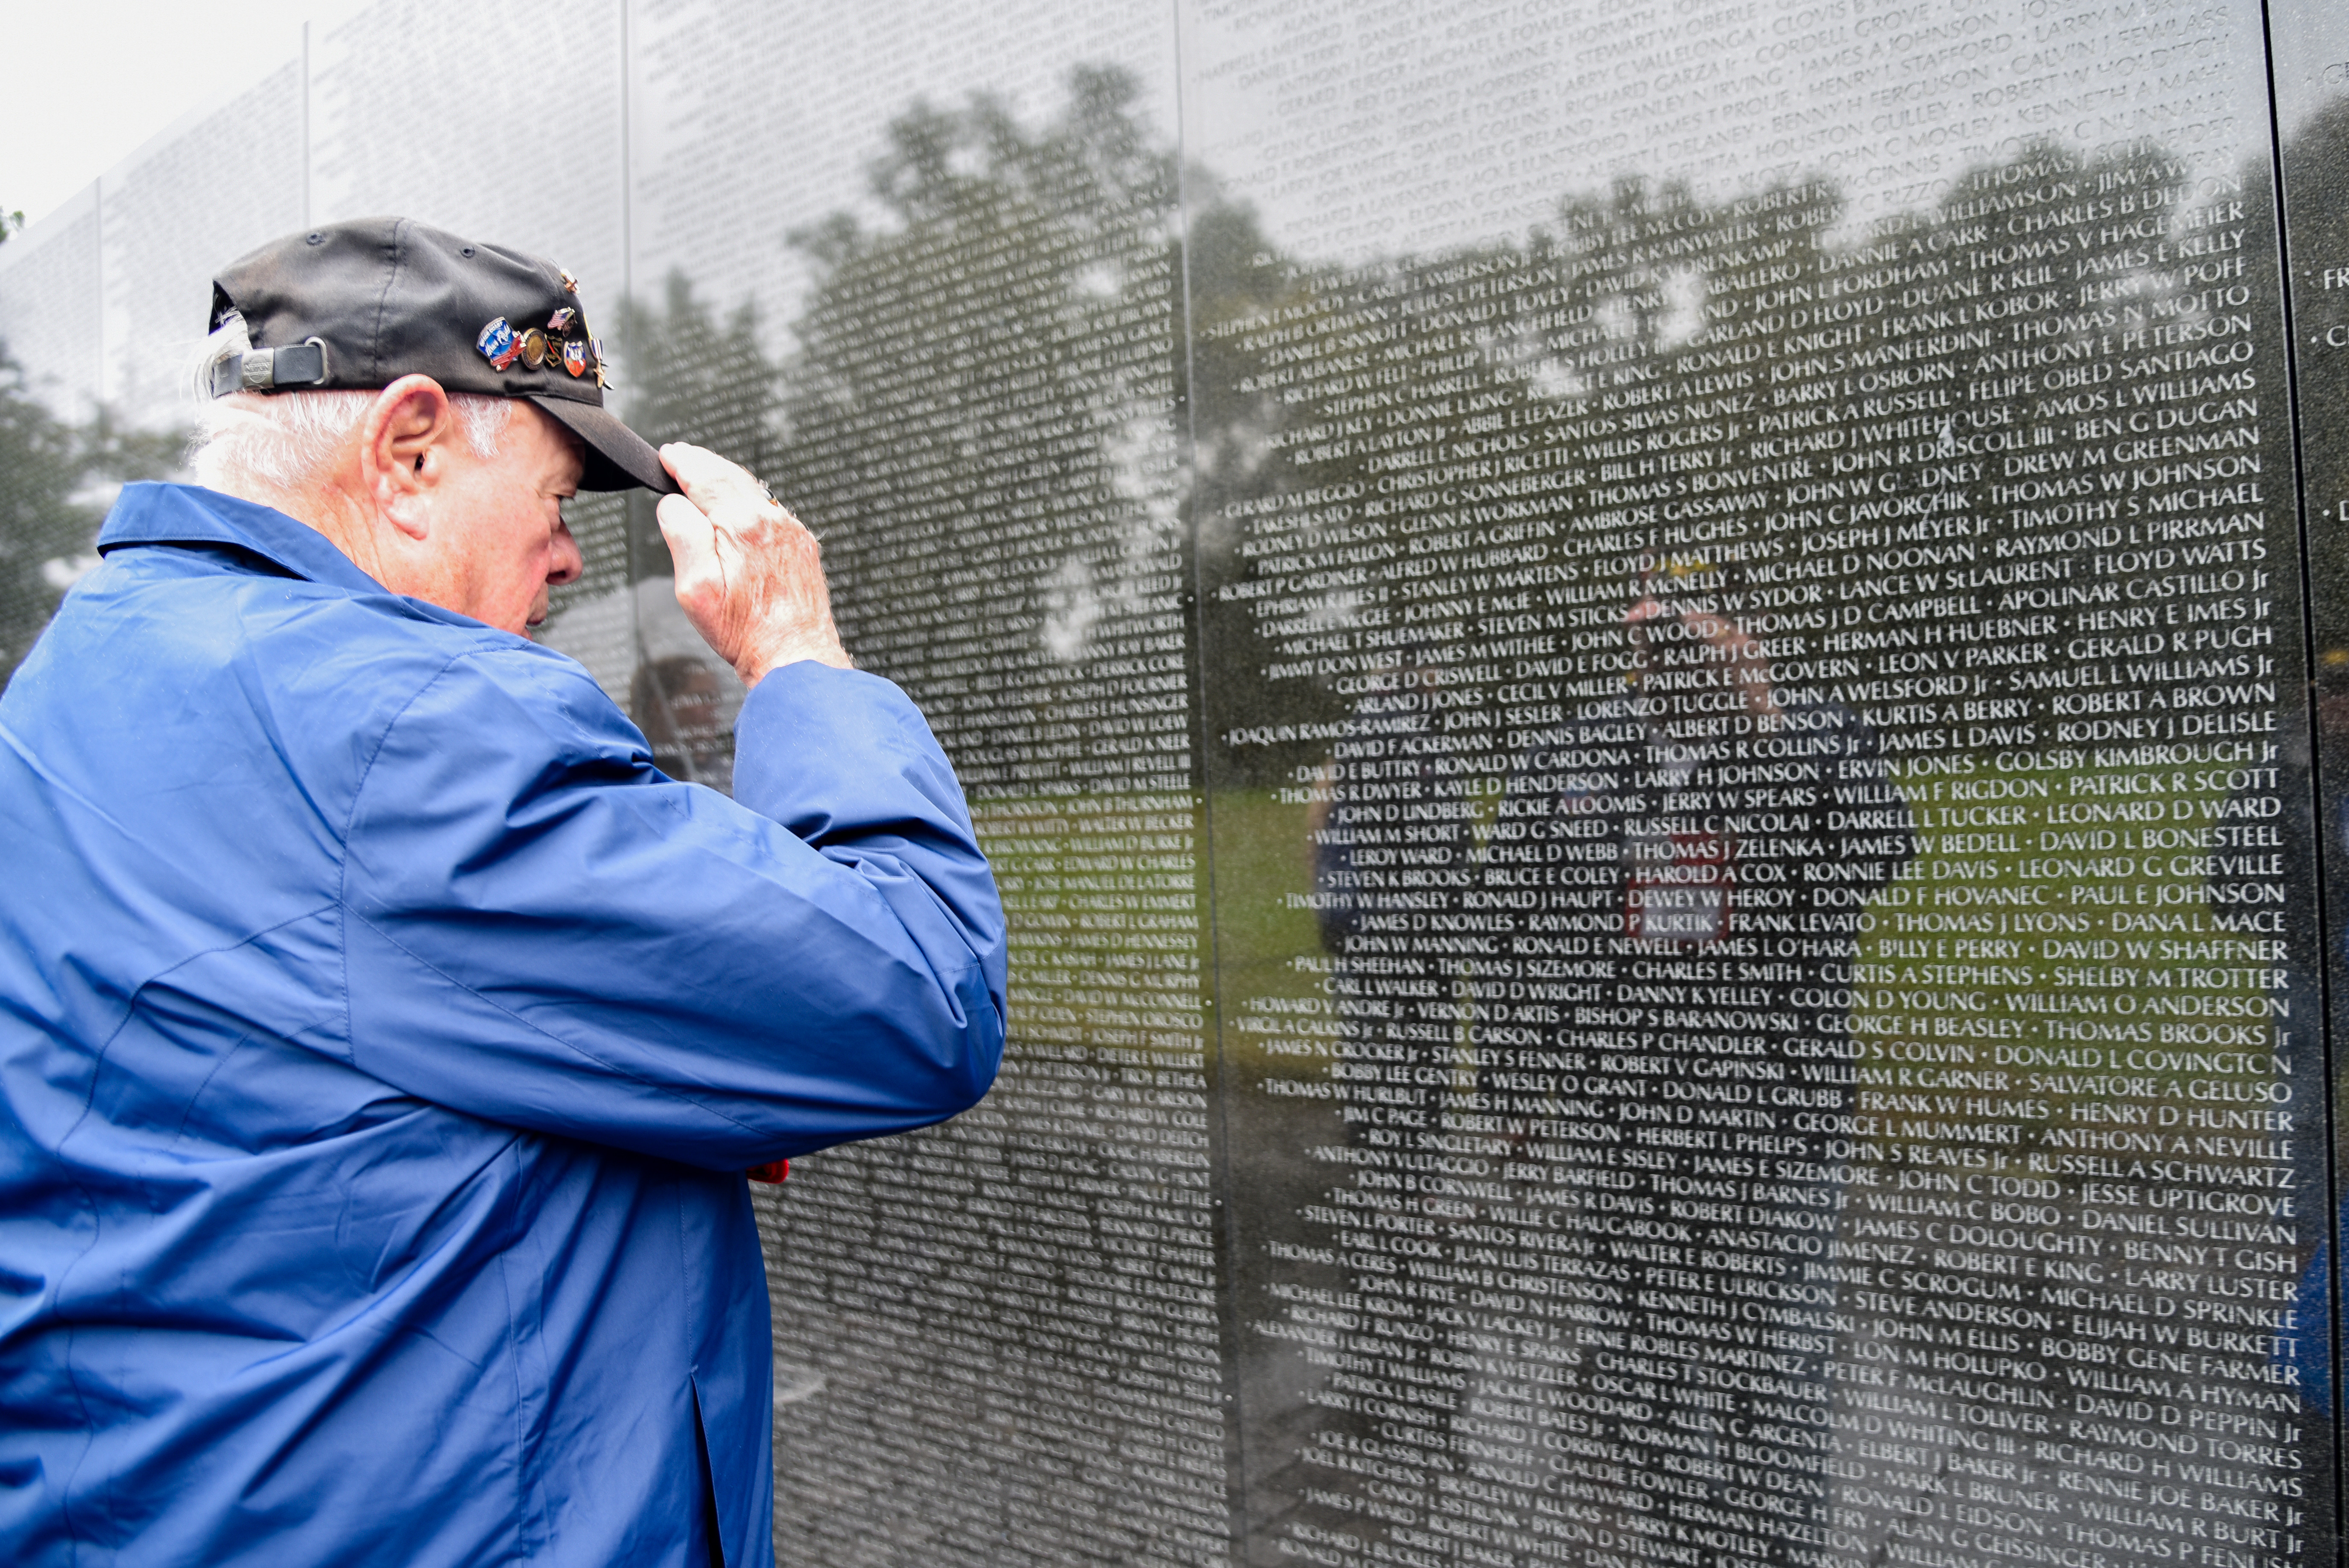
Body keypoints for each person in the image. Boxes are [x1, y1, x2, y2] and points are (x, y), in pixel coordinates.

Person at [0, 218, 1007, 1568]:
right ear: (409, 451)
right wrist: (800, 656)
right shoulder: (409, 728)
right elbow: (917, 991)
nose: (571, 558)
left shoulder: (76, 681)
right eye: (548, 499)